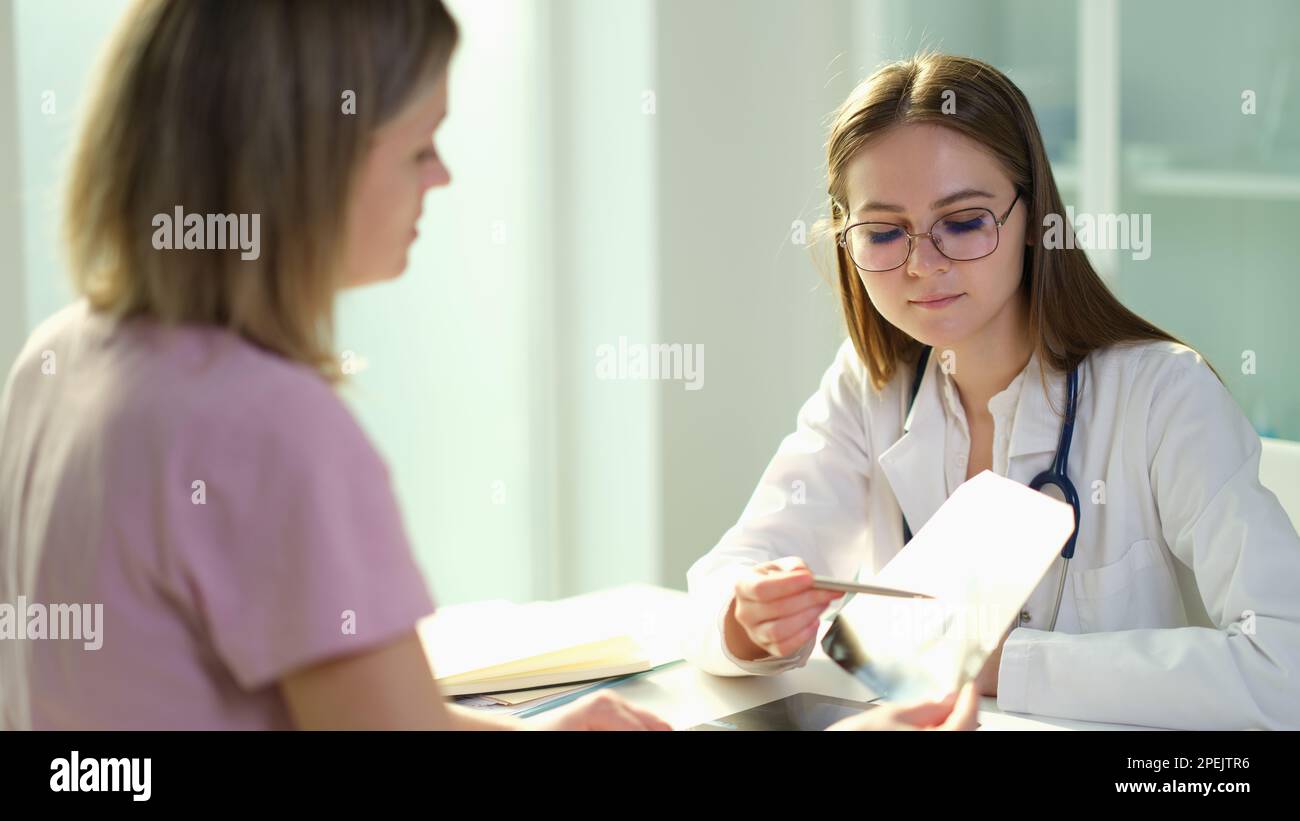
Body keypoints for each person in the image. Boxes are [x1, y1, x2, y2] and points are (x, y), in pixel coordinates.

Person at [0, 1, 972, 732]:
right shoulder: (267, 423)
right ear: (305, 160)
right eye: (419, 145)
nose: (443, 177)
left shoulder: (62, 357)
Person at [685, 52, 1300, 730]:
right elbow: (730, 572)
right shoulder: (871, 389)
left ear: (1034, 218)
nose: (923, 264)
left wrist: (1008, 662)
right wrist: (748, 621)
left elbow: (1286, 664)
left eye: (965, 221)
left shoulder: (1163, 396)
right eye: (885, 233)